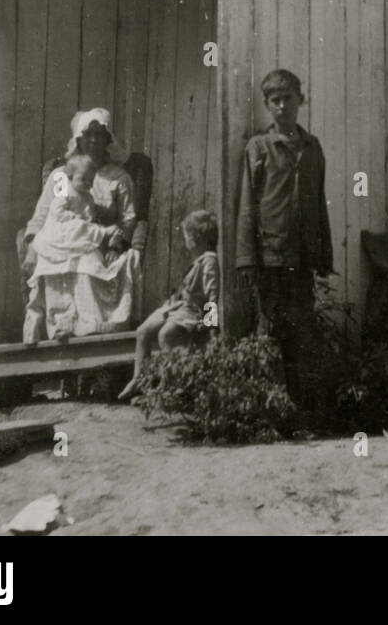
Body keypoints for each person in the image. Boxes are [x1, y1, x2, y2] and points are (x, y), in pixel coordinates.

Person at [234, 70, 333, 412]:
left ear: (300, 101)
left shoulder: (312, 147)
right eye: (274, 100)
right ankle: (265, 405)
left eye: (287, 98)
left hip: (302, 256)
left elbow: (319, 203)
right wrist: (247, 258)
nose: (281, 106)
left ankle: (299, 406)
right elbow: (247, 204)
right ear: (266, 106)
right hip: (270, 255)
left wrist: (323, 255)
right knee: (269, 326)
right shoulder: (259, 148)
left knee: (301, 328)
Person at [21, 108, 140, 344]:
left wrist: (116, 246)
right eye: (89, 135)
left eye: (100, 135)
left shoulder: (119, 178)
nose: (94, 141)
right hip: (63, 239)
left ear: (109, 139)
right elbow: (45, 215)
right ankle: (62, 325)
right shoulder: (63, 175)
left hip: (100, 243)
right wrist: (33, 246)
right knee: (54, 264)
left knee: (87, 263)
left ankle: (92, 326)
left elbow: (128, 220)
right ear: (79, 139)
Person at [119, 210, 219, 400]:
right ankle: (138, 380)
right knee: (142, 331)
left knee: (166, 334)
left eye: (187, 235)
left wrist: (210, 326)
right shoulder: (199, 260)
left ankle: (171, 383)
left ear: (197, 238)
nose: (185, 240)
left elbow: (212, 296)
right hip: (177, 306)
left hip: (192, 311)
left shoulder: (210, 262)